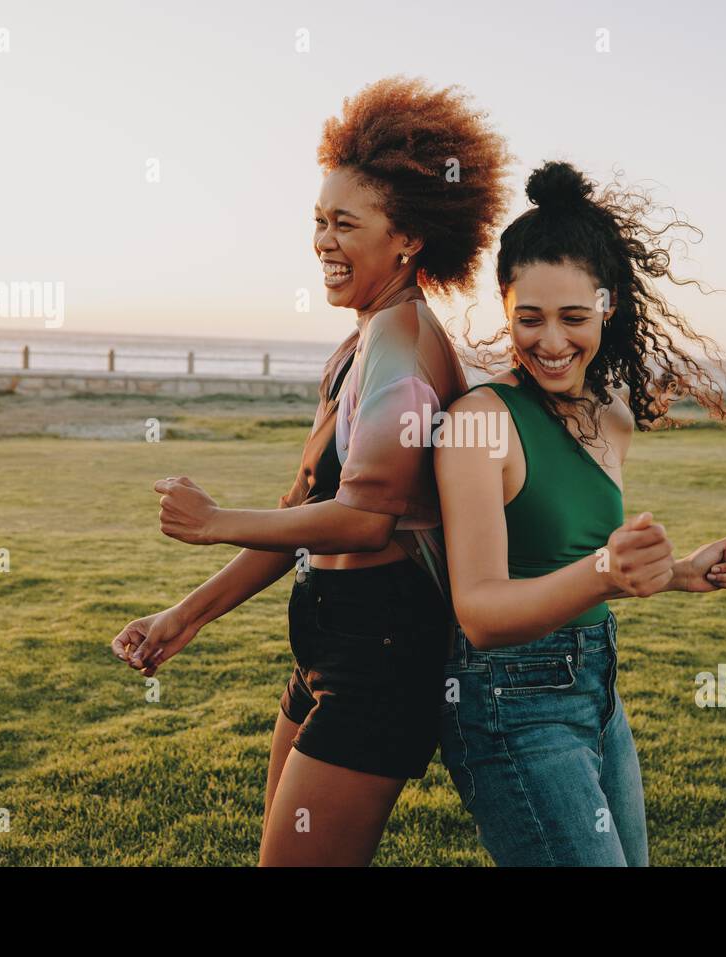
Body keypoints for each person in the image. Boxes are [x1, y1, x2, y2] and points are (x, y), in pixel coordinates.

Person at [111, 76, 511, 865]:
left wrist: (215, 519)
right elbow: (303, 509)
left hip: (384, 650)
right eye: (318, 222)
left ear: (408, 240)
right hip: (329, 639)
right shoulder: (360, 343)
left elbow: (366, 516)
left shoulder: (403, 345)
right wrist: (184, 616)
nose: (323, 241)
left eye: (345, 224)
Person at [435, 160, 726, 866]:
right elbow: (481, 611)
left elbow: (566, 563)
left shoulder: (612, 417)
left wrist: (673, 573)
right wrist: (607, 572)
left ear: (609, 306)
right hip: (509, 702)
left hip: (597, 691)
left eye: (574, 317)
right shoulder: (479, 422)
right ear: (505, 309)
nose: (551, 341)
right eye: (529, 318)